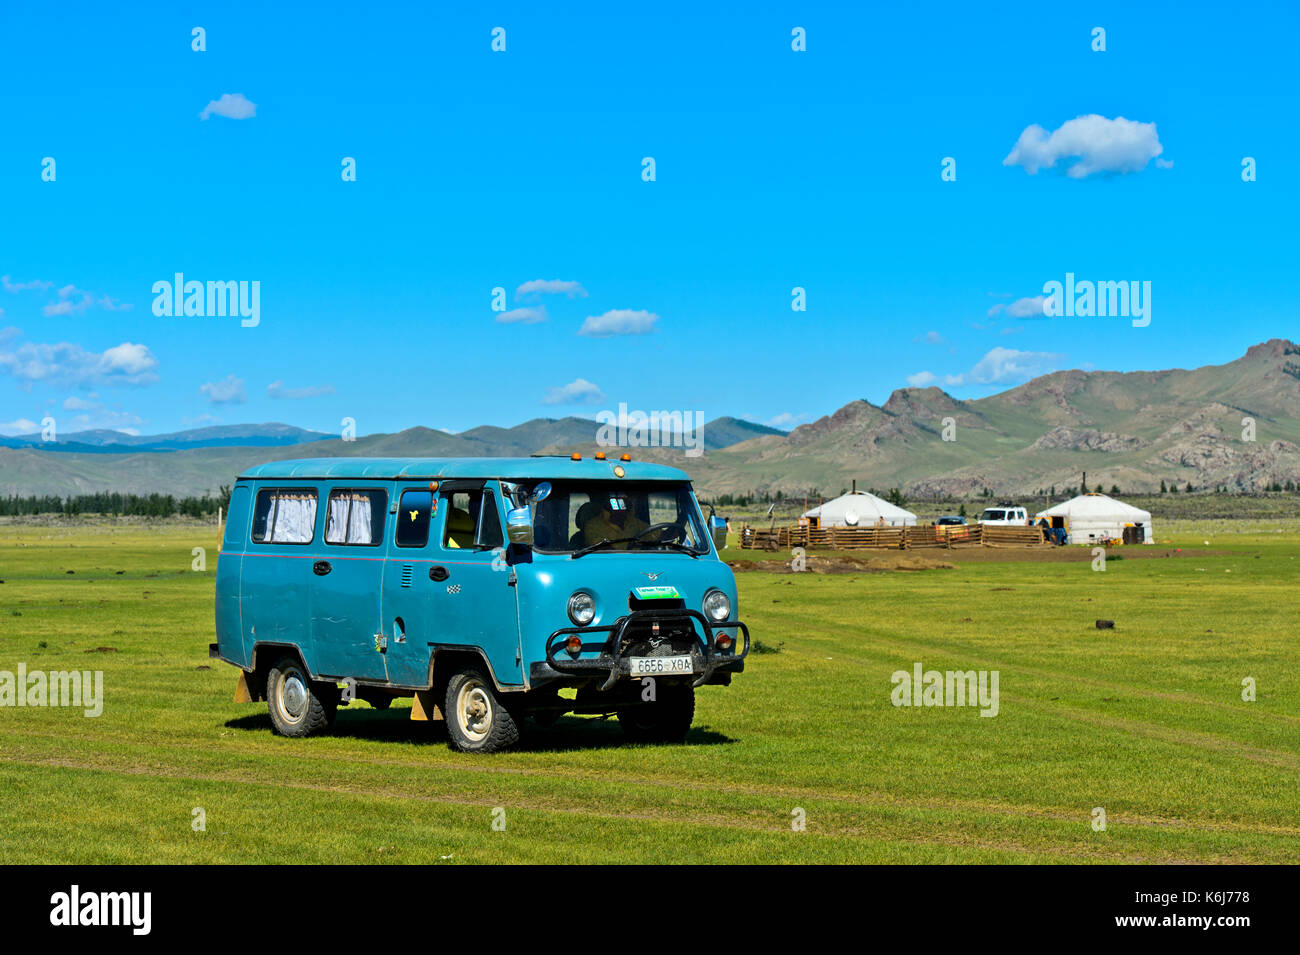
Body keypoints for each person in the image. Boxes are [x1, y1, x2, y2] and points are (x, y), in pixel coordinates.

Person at [579, 494, 649, 549]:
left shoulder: (635, 522)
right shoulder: (593, 526)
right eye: (616, 504)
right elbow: (601, 548)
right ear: (608, 506)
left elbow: (655, 534)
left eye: (624, 504)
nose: (621, 508)